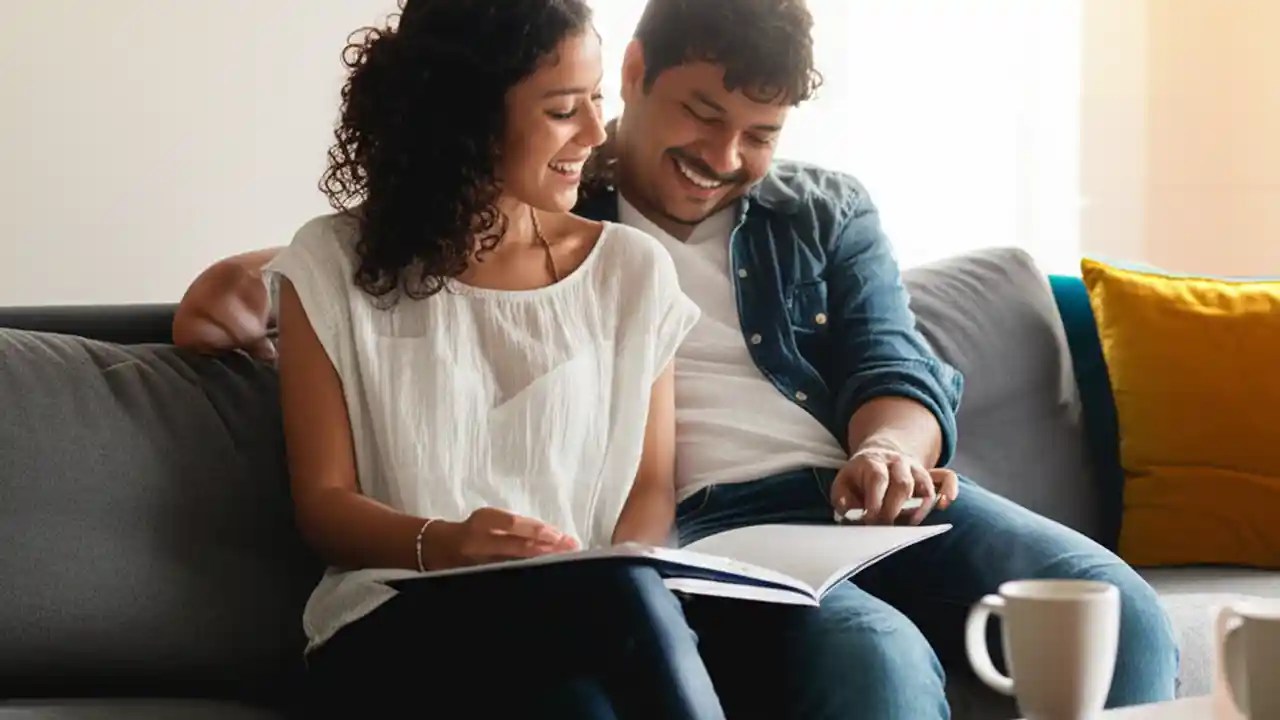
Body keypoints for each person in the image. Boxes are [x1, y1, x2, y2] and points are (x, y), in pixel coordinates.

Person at [176, 0, 1180, 717]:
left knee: (1112, 606)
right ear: (635, 76)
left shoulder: (808, 214)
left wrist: (885, 449)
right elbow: (419, 251)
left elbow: (891, 361)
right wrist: (272, 270)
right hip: (695, 535)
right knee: (870, 659)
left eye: (759, 134)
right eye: (703, 114)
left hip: (840, 494)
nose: (725, 154)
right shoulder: (569, 195)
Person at [227, 1, 729, 718]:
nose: (594, 132)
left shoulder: (631, 272)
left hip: (584, 617)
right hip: (390, 622)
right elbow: (325, 505)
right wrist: (449, 544)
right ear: (466, 118)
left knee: (590, 686)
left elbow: (649, 485)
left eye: (596, 101)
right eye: (562, 110)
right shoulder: (331, 264)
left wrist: (611, 568)